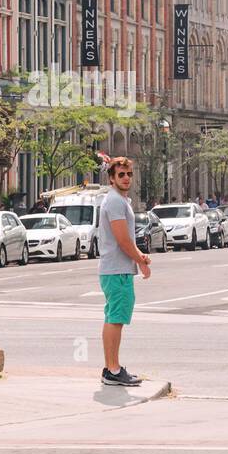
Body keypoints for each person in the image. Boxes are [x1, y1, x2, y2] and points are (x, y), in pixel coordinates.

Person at [96, 155, 151, 387]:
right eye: (121, 174)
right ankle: (113, 369)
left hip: (115, 268)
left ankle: (111, 368)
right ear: (111, 178)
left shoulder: (118, 200)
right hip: (116, 270)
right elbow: (122, 240)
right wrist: (140, 259)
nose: (126, 178)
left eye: (129, 174)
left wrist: (139, 258)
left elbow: (126, 238)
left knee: (113, 318)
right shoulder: (116, 202)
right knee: (116, 319)